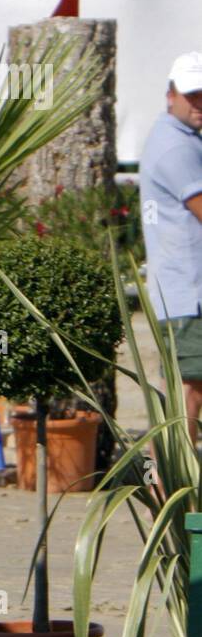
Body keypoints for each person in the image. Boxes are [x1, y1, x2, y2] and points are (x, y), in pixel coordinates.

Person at [140, 51, 202, 444]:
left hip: (182, 294)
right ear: (171, 95)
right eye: (192, 94)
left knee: (186, 392)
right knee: (189, 393)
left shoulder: (182, 139)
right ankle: (175, 494)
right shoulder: (176, 148)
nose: (199, 103)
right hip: (187, 296)